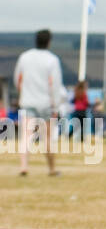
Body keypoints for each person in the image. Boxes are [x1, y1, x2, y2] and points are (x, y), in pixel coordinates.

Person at [14, 29, 66, 176]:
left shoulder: (25, 57)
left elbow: (17, 78)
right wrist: (55, 105)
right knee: (47, 138)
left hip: (28, 101)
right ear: (49, 42)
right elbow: (55, 85)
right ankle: (51, 168)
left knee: (26, 135)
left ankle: (23, 167)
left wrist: (22, 94)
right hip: (46, 104)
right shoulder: (52, 60)